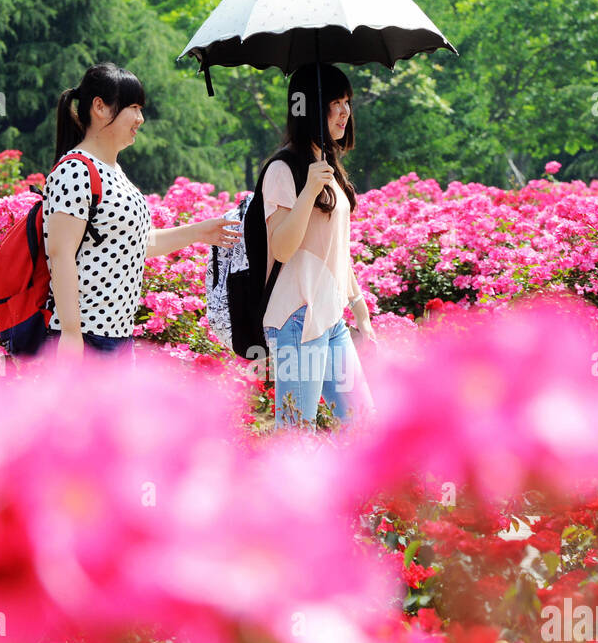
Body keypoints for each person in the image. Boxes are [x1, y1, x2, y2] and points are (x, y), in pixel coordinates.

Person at [44, 62, 238, 362]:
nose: (140, 118)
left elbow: (138, 244)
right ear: (100, 107)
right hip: (87, 338)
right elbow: (61, 254)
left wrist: (200, 231)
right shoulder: (75, 170)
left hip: (118, 336)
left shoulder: (113, 171)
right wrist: (71, 334)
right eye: (133, 108)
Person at [260, 62, 374, 426]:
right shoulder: (283, 170)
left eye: (347, 102)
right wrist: (309, 191)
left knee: (362, 423)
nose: (345, 112)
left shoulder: (329, 167)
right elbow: (282, 248)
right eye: (334, 103)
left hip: (331, 318)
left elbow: (335, 250)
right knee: (296, 432)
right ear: (310, 108)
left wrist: (360, 311)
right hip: (296, 319)